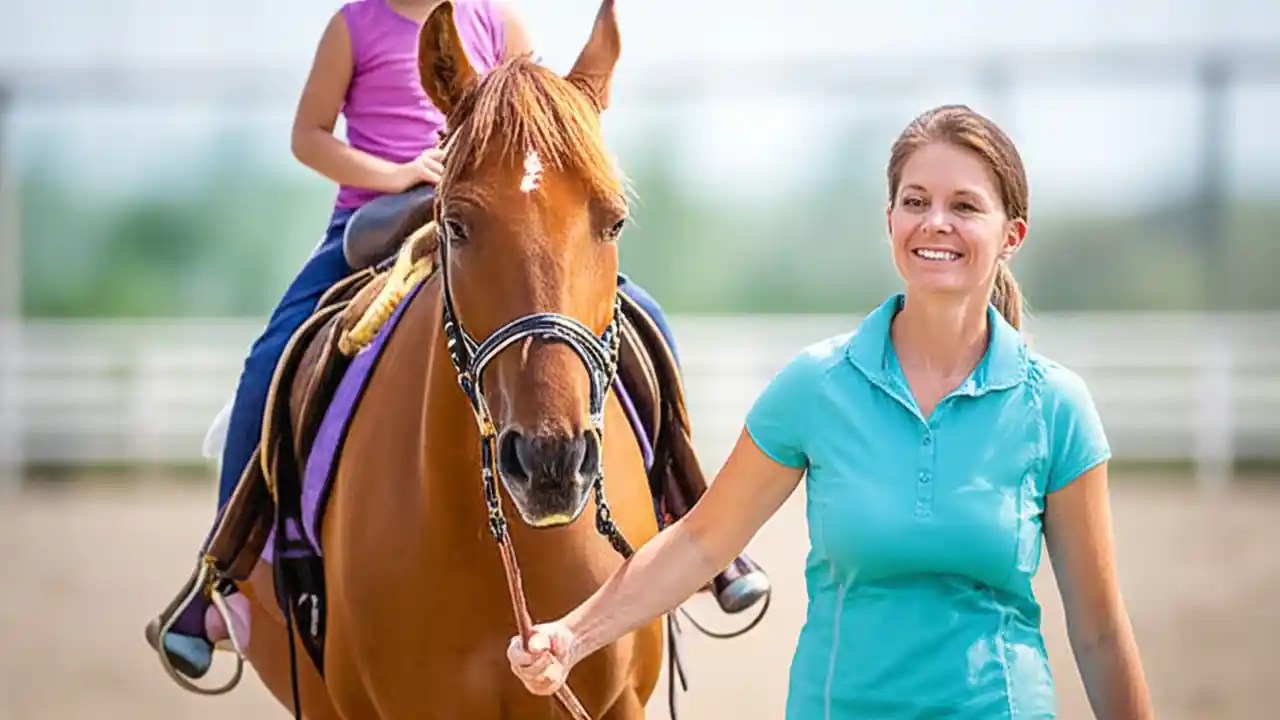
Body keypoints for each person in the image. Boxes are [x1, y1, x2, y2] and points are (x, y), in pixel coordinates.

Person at [147, 0, 767, 682]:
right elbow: (308, 136)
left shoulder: (501, 26)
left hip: (492, 212)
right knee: (272, 358)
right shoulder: (354, 25)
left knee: (646, 323)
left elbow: (533, 135)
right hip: (370, 218)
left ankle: (692, 523)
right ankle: (222, 573)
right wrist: (400, 173)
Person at [507, 104, 1154, 719]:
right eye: (916, 201)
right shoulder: (817, 387)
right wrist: (571, 636)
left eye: (965, 206)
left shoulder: (1056, 408)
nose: (936, 222)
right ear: (891, 220)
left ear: (1012, 235)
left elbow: (1098, 630)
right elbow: (703, 542)